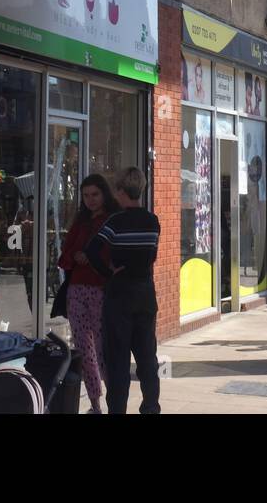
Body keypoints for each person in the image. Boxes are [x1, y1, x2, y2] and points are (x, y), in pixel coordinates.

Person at [85, 166, 161, 414]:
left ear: (119, 191)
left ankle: (117, 409)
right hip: (145, 294)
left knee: (118, 362)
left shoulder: (115, 221)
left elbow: (92, 251)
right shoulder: (153, 221)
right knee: (147, 358)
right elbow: (152, 256)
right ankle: (150, 407)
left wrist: (108, 273)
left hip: (119, 296)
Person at [59, 173, 116, 413]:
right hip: (77, 291)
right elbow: (65, 254)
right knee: (84, 348)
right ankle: (94, 403)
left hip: (101, 290)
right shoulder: (80, 222)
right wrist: (75, 256)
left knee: (103, 348)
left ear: (104, 194)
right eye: (85, 196)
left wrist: (91, 258)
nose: (90, 200)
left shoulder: (112, 220)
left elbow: (113, 255)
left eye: (95, 194)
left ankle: (115, 400)